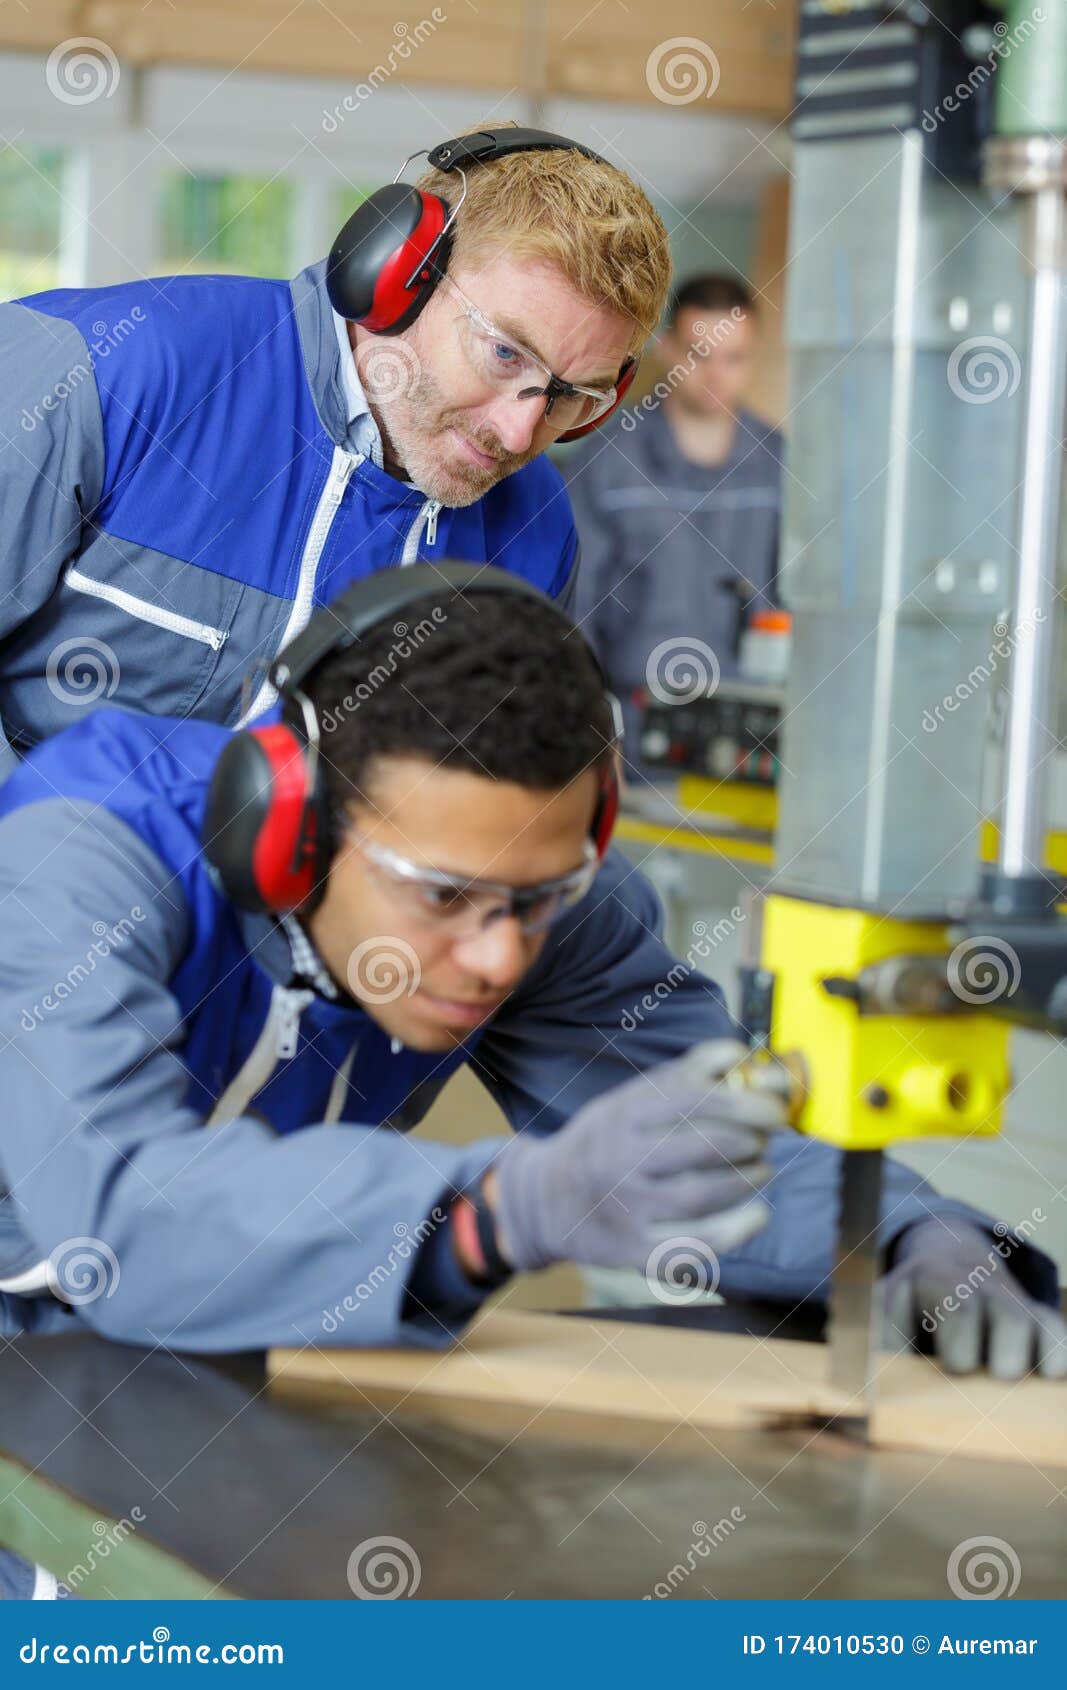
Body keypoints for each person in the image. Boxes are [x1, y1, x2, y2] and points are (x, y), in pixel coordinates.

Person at [0, 564, 1060, 1380]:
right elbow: (120, 1221)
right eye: (440, 896)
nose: (500, 954)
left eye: (536, 897)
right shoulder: (79, 868)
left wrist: (912, 1231)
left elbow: (695, 1130)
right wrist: (498, 1210)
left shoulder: (543, 898)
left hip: (236, 1331)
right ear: (289, 825)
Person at [0, 122, 669, 779]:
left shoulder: (534, 530)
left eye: (571, 394)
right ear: (397, 270)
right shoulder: (100, 373)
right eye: (503, 353)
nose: (521, 434)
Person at [565, 274, 783, 777]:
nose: (716, 376)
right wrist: (588, 730)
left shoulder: (780, 467)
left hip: (751, 748)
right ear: (666, 349)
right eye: (700, 354)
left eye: (734, 358)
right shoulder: (606, 464)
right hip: (631, 741)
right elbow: (573, 611)